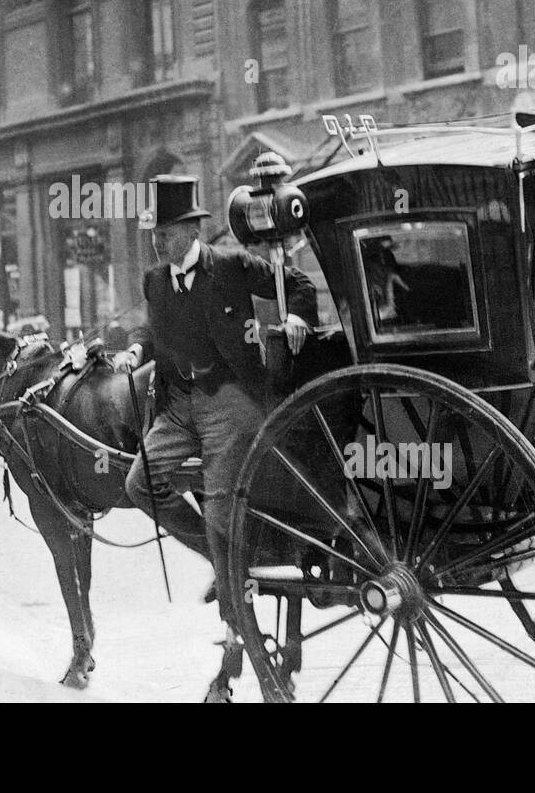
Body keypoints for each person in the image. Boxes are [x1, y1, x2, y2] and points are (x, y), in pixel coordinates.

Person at [113, 175, 317, 698]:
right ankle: (216, 554)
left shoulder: (228, 266)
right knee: (140, 485)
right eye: (153, 232)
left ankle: (233, 612)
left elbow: (296, 283)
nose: (156, 240)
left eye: (164, 231)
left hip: (229, 400)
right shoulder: (155, 281)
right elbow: (152, 331)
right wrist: (137, 350)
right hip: (178, 404)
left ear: (189, 229)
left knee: (224, 510)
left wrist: (295, 316)